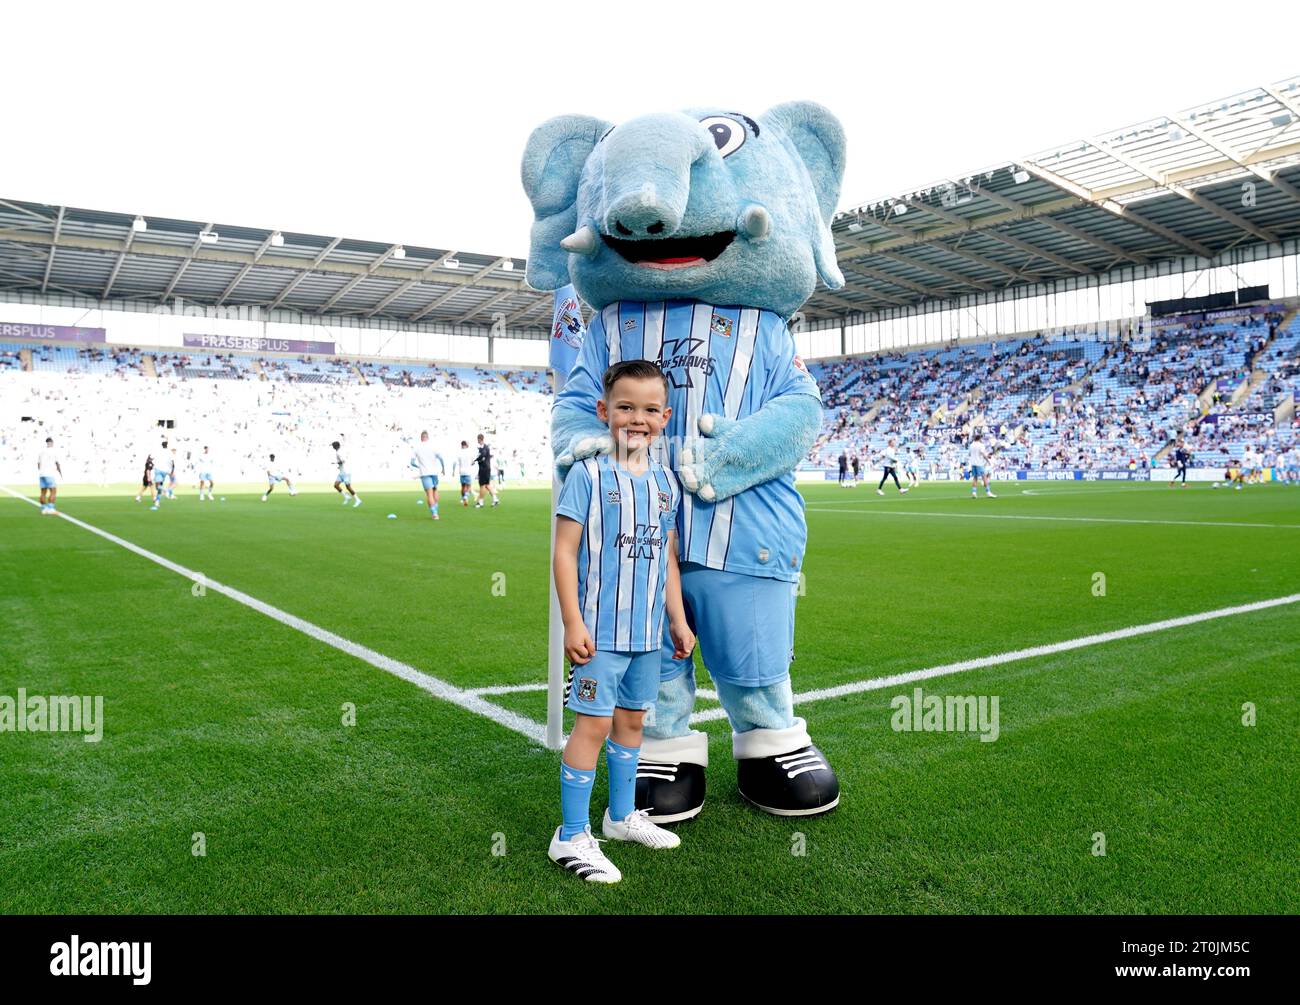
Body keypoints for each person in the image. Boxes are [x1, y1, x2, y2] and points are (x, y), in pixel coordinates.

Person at [549, 360, 694, 883]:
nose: (638, 418)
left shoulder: (665, 481)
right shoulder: (587, 475)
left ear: (665, 416)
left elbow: (668, 559)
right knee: (594, 724)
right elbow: (564, 553)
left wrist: (677, 621)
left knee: (632, 722)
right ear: (603, 410)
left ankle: (620, 817)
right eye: (626, 407)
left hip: (647, 635)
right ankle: (569, 835)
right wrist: (571, 621)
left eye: (650, 409)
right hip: (600, 633)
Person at [410, 431, 445, 521]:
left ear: (421, 438)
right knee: (435, 490)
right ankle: (435, 508)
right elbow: (441, 458)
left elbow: (412, 463)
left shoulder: (417, 448)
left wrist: (419, 466)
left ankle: (434, 513)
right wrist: (443, 468)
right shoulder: (433, 446)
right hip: (434, 473)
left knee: (429, 493)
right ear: (427, 437)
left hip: (424, 473)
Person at [332, 440, 361, 508]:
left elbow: (343, 461)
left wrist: (335, 463)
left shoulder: (339, 452)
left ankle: (358, 500)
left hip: (346, 472)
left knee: (348, 487)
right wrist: (339, 466)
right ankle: (346, 497)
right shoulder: (339, 452)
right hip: (341, 472)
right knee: (336, 485)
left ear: (335, 446)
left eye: (333, 446)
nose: (332, 447)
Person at [37, 436, 61, 514]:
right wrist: (60, 472)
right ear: (52, 443)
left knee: (43, 492)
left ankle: (44, 509)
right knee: (53, 491)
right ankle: (51, 508)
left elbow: (38, 464)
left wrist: (41, 471)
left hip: (42, 474)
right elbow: (57, 463)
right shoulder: (54, 451)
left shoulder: (41, 452)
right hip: (49, 473)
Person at [968, 432, 996, 498]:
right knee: (984, 478)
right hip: (979, 463)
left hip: (973, 463)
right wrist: (988, 461)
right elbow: (983, 454)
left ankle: (974, 493)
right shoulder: (981, 445)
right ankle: (988, 492)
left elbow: (969, 454)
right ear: (980, 438)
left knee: (975, 478)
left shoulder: (971, 445)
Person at [474, 434, 499, 508]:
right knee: (487, 485)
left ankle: (480, 502)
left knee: (482, 485)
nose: (477, 441)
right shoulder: (483, 448)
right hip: (485, 468)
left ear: (479, 439)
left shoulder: (484, 448)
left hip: (484, 469)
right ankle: (495, 499)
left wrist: (475, 460)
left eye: (478, 439)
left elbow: (482, 456)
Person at [454, 440, 475, 506]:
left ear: (461, 445)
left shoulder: (459, 453)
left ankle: (463, 499)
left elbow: (456, 463)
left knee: (463, 486)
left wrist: (453, 472)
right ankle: (465, 497)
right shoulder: (470, 452)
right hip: (468, 471)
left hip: (461, 471)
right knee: (469, 486)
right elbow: (473, 462)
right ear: (466, 445)